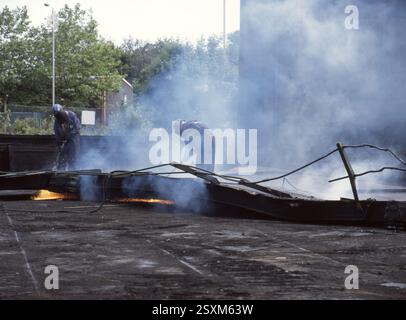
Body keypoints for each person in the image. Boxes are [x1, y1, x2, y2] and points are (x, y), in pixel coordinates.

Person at [52, 104, 81, 170]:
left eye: (59, 115)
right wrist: (60, 143)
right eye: (57, 115)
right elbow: (57, 134)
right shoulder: (57, 122)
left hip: (73, 139)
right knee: (62, 158)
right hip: (64, 140)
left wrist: (70, 135)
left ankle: (72, 172)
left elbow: (78, 128)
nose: (59, 117)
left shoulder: (72, 115)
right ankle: (60, 172)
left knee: (72, 157)